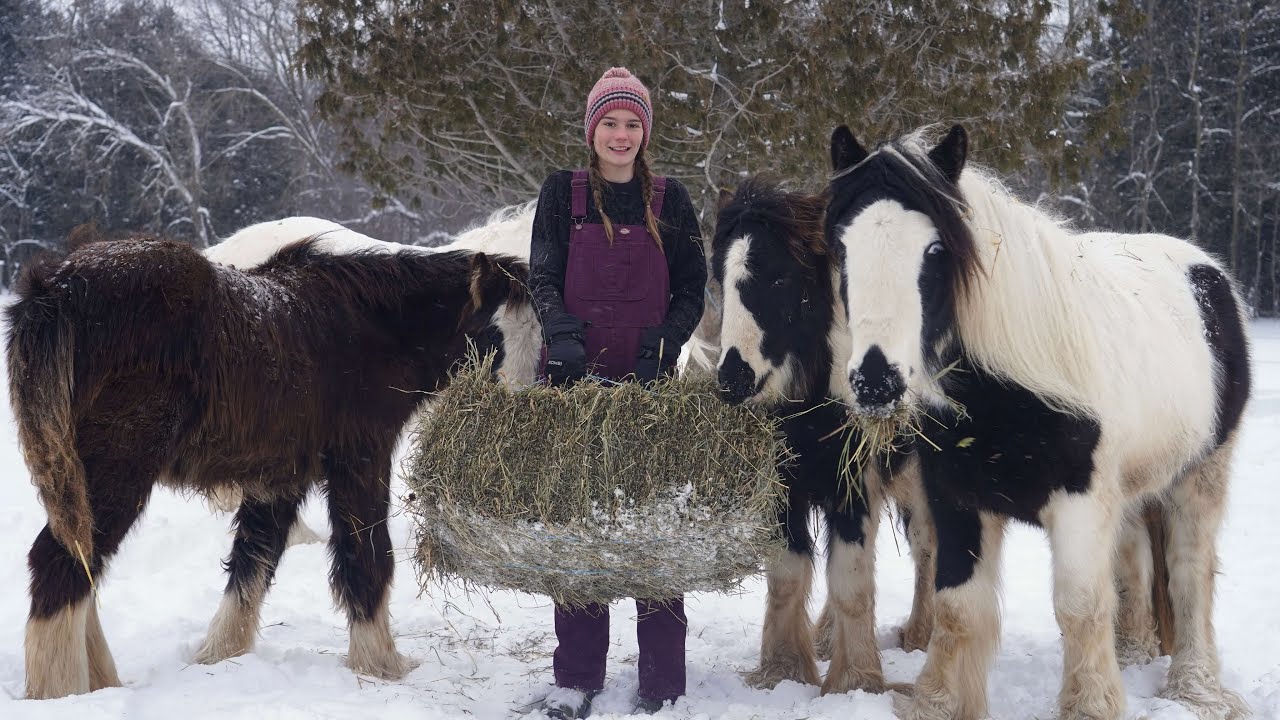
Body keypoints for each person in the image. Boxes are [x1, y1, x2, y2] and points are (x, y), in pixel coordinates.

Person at [528, 67, 707, 718]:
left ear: (646, 131)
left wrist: (670, 339)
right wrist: (561, 333)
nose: (622, 134)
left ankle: (662, 682)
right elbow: (542, 271)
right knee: (580, 535)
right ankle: (576, 678)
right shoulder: (562, 195)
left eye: (633, 123)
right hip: (574, 388)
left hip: (650, 391)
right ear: (591, 129)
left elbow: (694, 284)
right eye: (610, 122)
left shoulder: (672, 202)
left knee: (652, 534)